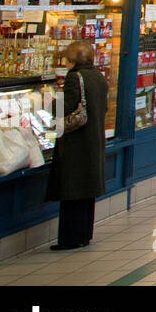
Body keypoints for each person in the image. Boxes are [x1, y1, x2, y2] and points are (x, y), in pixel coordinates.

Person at [46, 40, 107, 250]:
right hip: (94, 141)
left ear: (71, 60)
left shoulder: (75, 78)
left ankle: (69, 239)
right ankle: (84, 235)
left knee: (72, 192)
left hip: (77, 144)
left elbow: (64, 106)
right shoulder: (98, 76)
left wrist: (45, 100)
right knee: (86, 193)